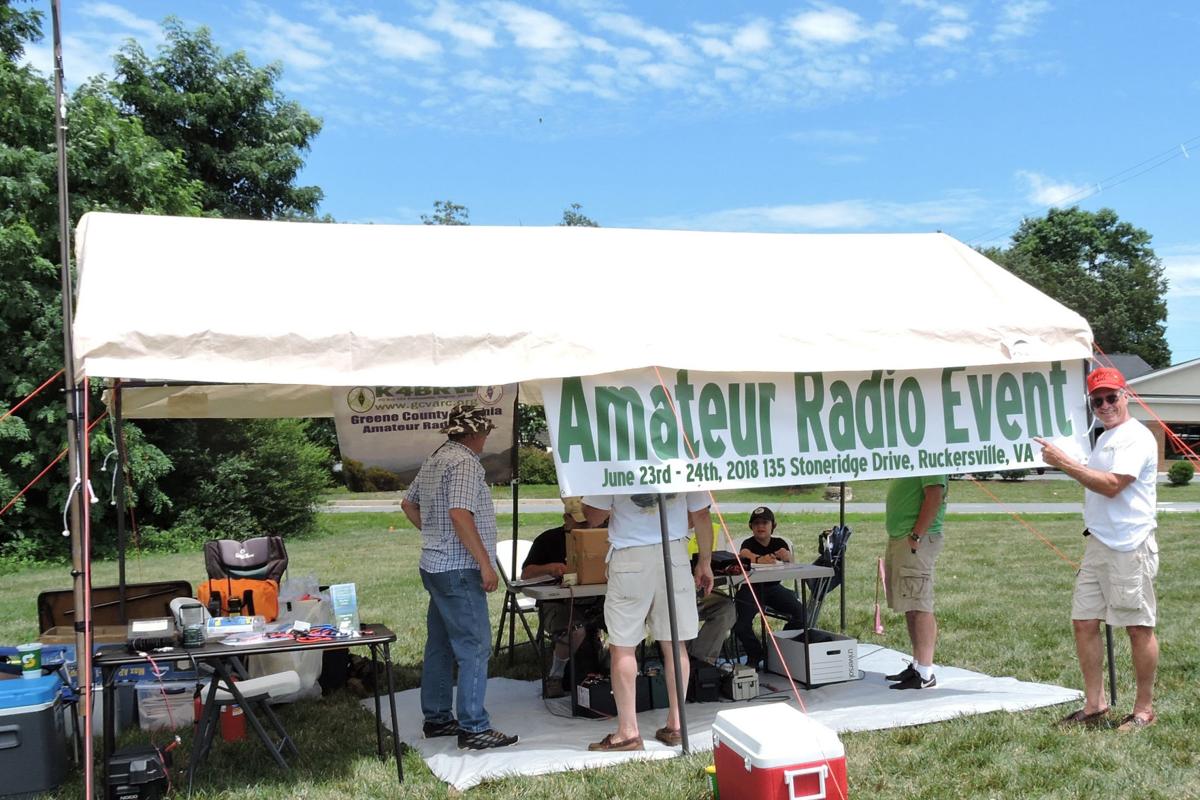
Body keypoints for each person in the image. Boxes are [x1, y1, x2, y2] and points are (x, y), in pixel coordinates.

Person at [1036, 367, 1160, 732]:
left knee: (1138, 627)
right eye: (1097, 400)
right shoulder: (1105, 437)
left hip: (1129, 545)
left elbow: (1111, 486)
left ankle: (1144, 710)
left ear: (1126, 396)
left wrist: (1066, 465)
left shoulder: (1135, 437)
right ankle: (1095, 704)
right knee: (1084, 622)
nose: (1105, 405)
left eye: (1111, 397)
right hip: (1099, 543)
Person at [401, 404, 518, 750]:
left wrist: (435, 534)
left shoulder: (436, 458)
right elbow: (459, 513)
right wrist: (485, 563)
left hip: (434, 564)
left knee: (440, 644)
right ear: (473, 433)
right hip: (458, 568)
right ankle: (473, 725)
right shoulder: (466, 462)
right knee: (474, 647)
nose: (486, 438)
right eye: (484, 432)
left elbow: (408, 504)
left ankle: (437, 718)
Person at [581, 492, 714, 751]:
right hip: (674, 552)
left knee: (623, 644)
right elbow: (701, 514)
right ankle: (677, 724)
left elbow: (593, 516)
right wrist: (705, 562)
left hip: (631, 554)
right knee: (675, 643)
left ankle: (628, 732)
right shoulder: (682, 454)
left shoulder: (614, 454)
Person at [521, 497, 603, 698]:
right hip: (559, 603)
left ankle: (624, 672)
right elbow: (526, 574)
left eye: (588, 521)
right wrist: (550, 568)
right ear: (566, 518)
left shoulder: (603, 537)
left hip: (600, 601)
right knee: (573, 629)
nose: (586, 526)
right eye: (580, 522)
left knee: (628, 622)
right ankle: (555, 676)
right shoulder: (548, 540)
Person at [883, 474, 948, 690]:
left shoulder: (931, 457)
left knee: (919, 604)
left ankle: (925, 673)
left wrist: (916, 535)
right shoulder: (915, 458)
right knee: (910, 604)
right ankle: (917, 666)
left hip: (915, 540)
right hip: (903, 538)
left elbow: (935, 496)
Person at [732, 506, 805, 668]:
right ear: (751, 527)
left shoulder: (779, 542)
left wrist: (787, 557)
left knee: (801, 613)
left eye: (765, 522)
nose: (761, 526)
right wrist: (758, 559)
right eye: (756, 523)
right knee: (741, 625)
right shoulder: (748, 543)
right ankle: (755, 653)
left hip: (773, 588)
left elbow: (789, 561)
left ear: (773, 526)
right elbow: (744, 554)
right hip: (750, 588)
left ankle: (777, 647)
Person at [688, 517, 736, 668]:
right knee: (677, 610)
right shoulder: (667, 529)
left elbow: (719, 563)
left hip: (703, 589)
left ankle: (701, 660)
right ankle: (680, 659)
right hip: (674, 592)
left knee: (726, 607)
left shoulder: (713, 529)